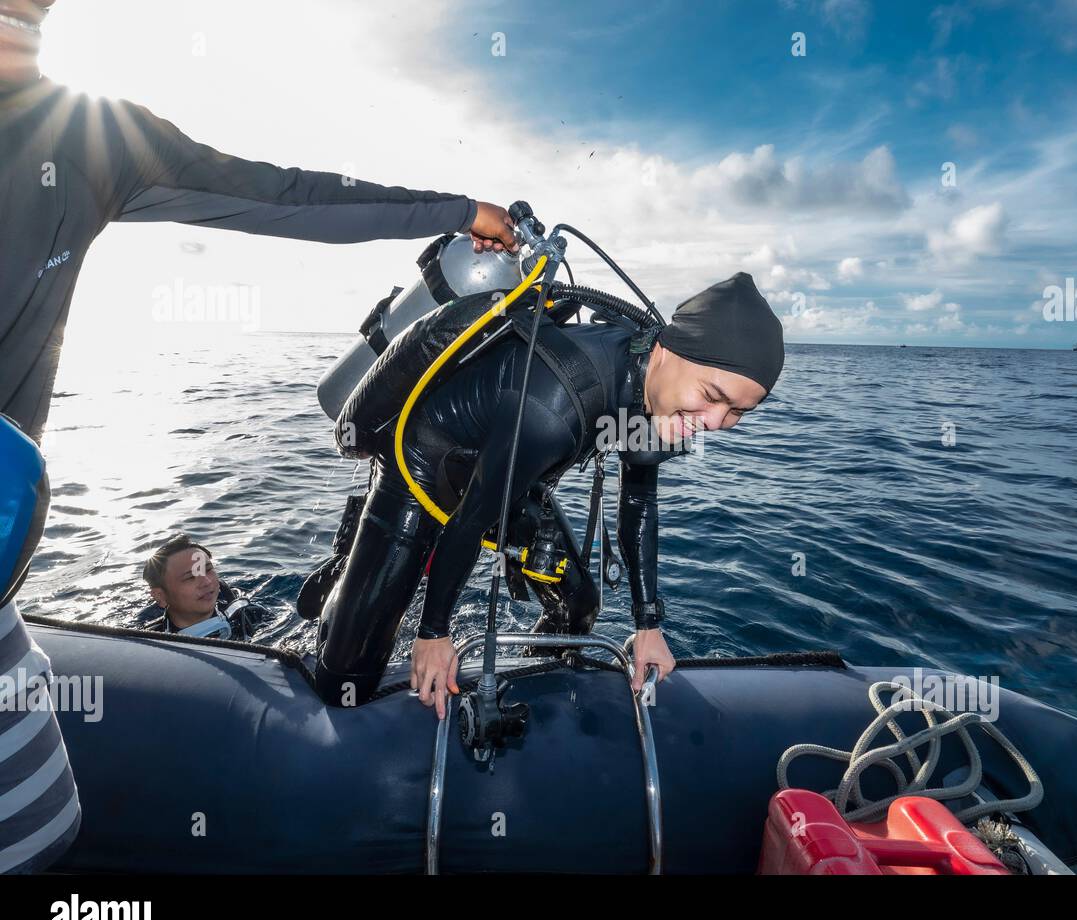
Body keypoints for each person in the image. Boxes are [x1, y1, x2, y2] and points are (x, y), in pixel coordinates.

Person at [0, 0, 516, 873]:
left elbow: (287, 194)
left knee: (43, 825)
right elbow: (290, 196)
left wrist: (457, 207)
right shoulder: (91, 135)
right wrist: (466, 206)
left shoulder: (88, 136)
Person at [311, 271, 785, 717]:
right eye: (712, 394)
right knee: (345, 683)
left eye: (738, 412)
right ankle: (349, 574)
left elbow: (638, 503)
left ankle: (531, 695)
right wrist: (434, 633)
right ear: (666, 348)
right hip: (428, 464)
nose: (714, 422)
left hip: (514, 471)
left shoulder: (659, 403)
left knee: (577, 606)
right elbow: (474, 516)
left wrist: (647, 625)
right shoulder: (557, 402)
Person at [136, 534, 268, 641]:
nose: (206, 582)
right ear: (161, 596)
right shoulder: (148, 642)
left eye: (208, 569)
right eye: (190, 577)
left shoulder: (251, 616)